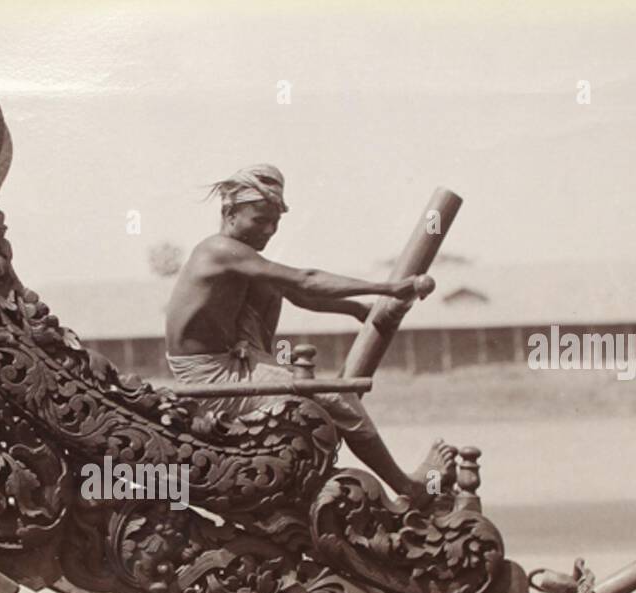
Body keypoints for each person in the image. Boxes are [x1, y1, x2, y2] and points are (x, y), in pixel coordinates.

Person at [165, 163, 453, 504]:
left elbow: (298, 292)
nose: (270, 230)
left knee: (270, 288)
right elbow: (306, 278)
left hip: (233, 363)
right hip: (211, 379)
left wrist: (354, 309)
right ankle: (410, 489)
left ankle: (284, 385)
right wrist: (388, 288)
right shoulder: (218, 250)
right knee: (336, 397)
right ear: (229, 212)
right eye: (260, 220)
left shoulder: (241, 258)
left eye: (276, 222)